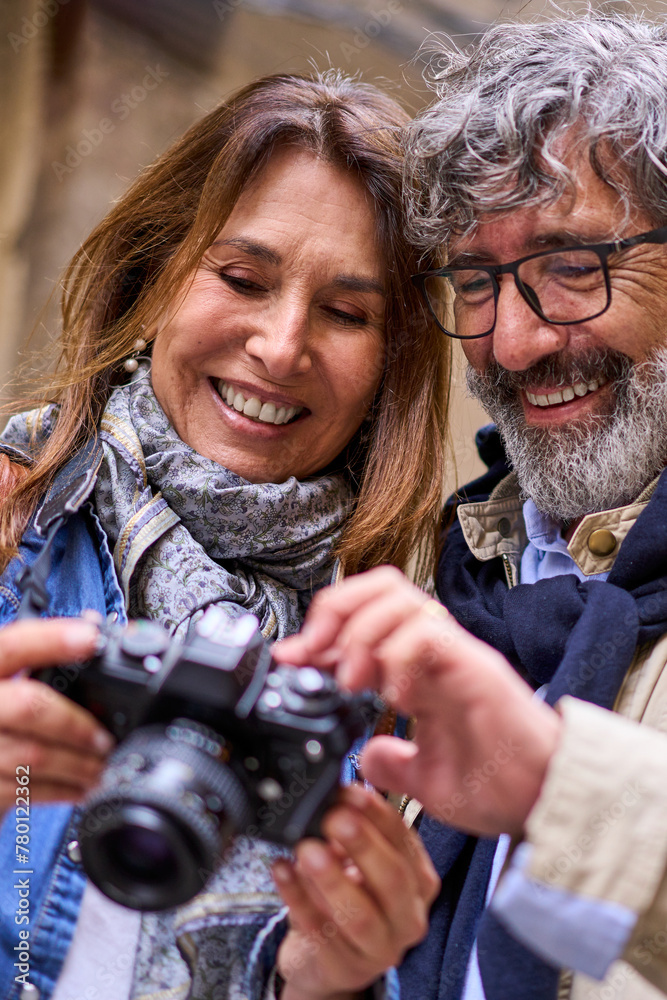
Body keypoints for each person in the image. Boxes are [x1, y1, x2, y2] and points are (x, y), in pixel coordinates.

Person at [0, 72, 444, 1000]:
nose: (281, 347)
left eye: (346, 313)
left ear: (390, 366)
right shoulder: (12, 520)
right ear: (155, 274)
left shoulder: (394, 673)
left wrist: (327, 983)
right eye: (242, 279)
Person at [276, 15, 667, 1000]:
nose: (513, 342)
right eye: (476, 281)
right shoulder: (446, 576)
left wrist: (554, 784)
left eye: (573, 266)